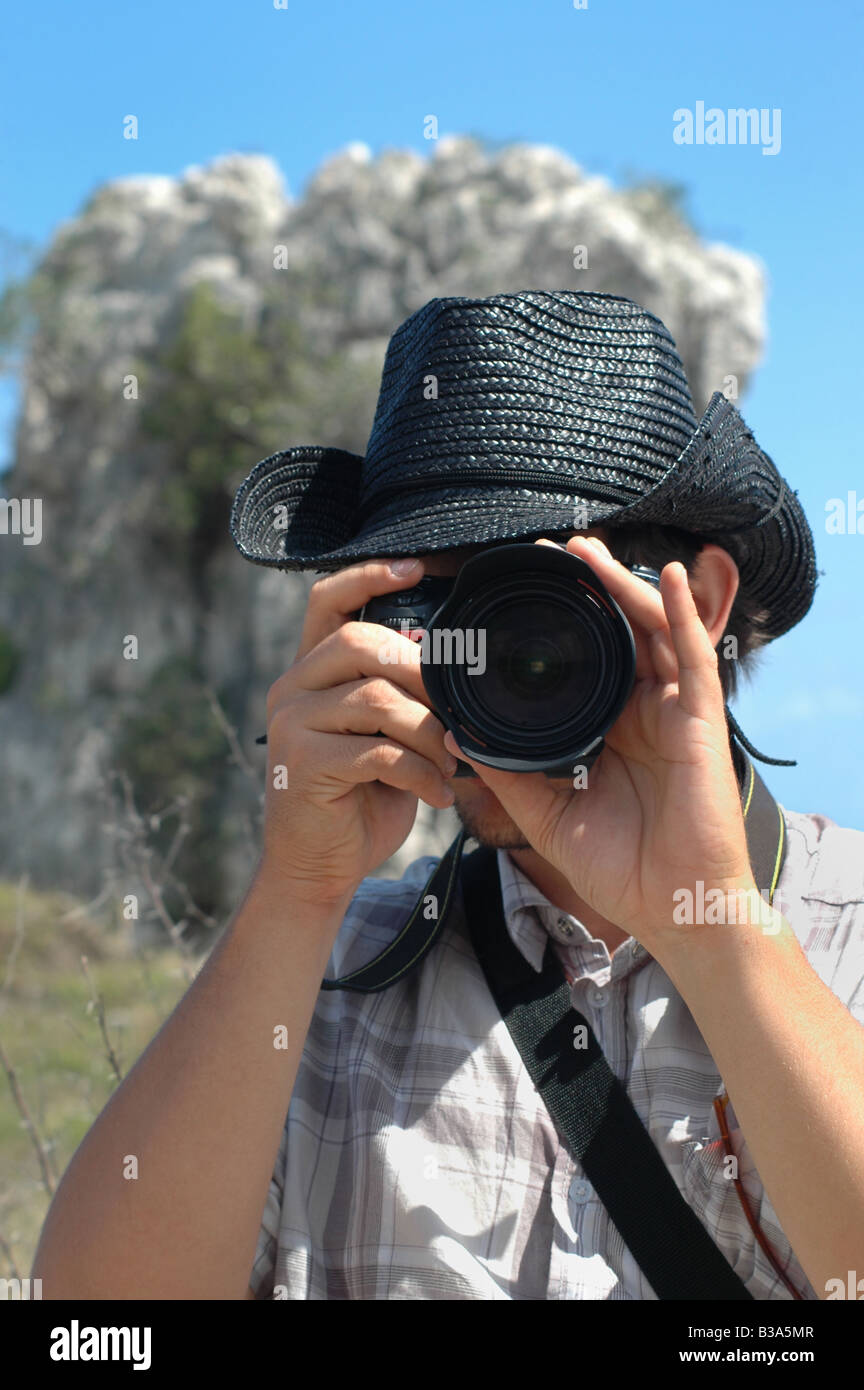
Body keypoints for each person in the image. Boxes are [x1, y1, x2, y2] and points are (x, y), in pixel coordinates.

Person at [32, 291, 864, 1301]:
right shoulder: (320, 976)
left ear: (706, 602)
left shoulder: (847, 932)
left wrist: (717, 925)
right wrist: (296, 891)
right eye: (442, 604)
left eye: (544, 605)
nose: (497, 657)